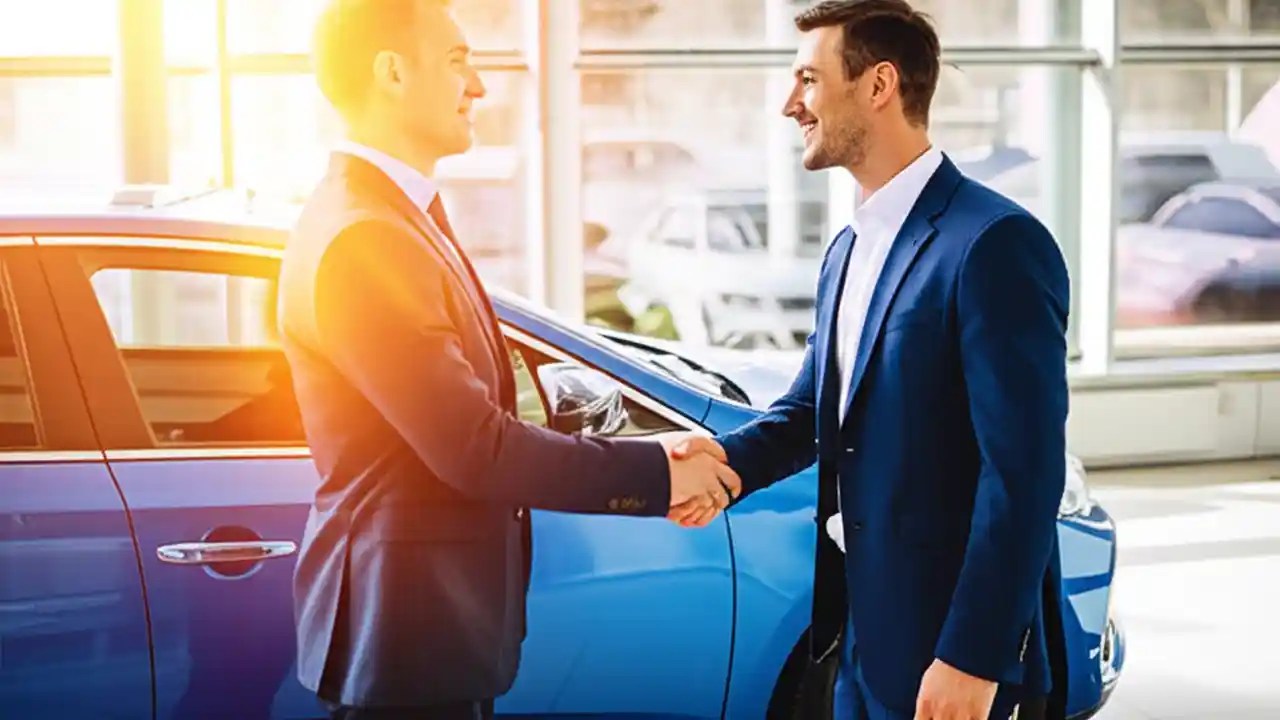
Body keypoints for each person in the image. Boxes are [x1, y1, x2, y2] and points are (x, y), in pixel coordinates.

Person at [276, 2, 740, 718]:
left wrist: (651, 447)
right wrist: (657, 473)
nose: (479, 88)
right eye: (459, 61)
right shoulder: (366, 237)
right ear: (392, 72)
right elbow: (473, 447)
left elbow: (473, 407)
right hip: (405, 638)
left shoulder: (388, 216)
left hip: (421, 635)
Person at [671, 1, 1070, 718]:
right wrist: (721, 468)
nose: (791, 104)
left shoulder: (994, 244)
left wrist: (971, 658)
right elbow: (808, 415)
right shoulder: (847, 250)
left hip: (953, 659)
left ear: (879, 85)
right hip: (863, 638)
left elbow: (1023, 476)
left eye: (808, 80)